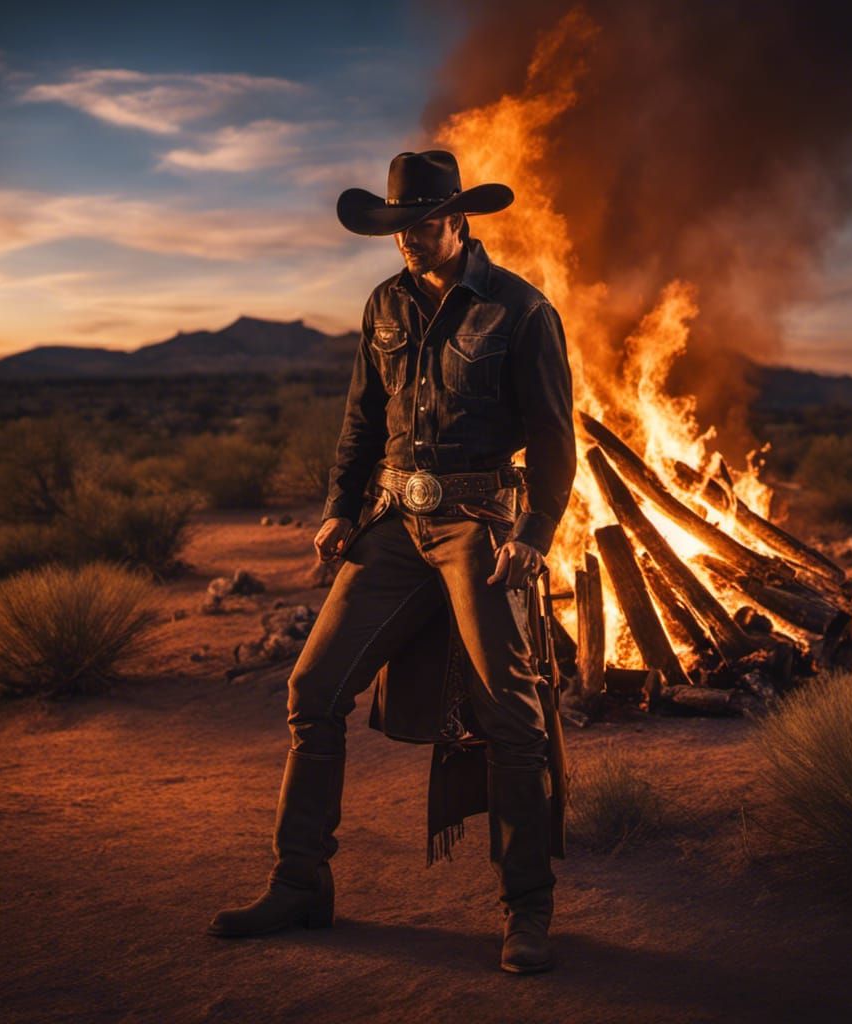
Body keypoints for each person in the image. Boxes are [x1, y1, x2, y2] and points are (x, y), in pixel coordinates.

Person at [209, 150, 576, 974]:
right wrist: (339, 508)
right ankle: (301, 883)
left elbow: (556, 438)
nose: (407, 239)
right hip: (390, 526)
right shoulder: (385, 305)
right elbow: (360, 422)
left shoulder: (520, 311)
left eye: (420, 225)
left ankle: (527, 909)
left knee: (511, 715)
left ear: (458, 221)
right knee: (312, 690)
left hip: (479, 528)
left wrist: (536, 534)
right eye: (395, 227)